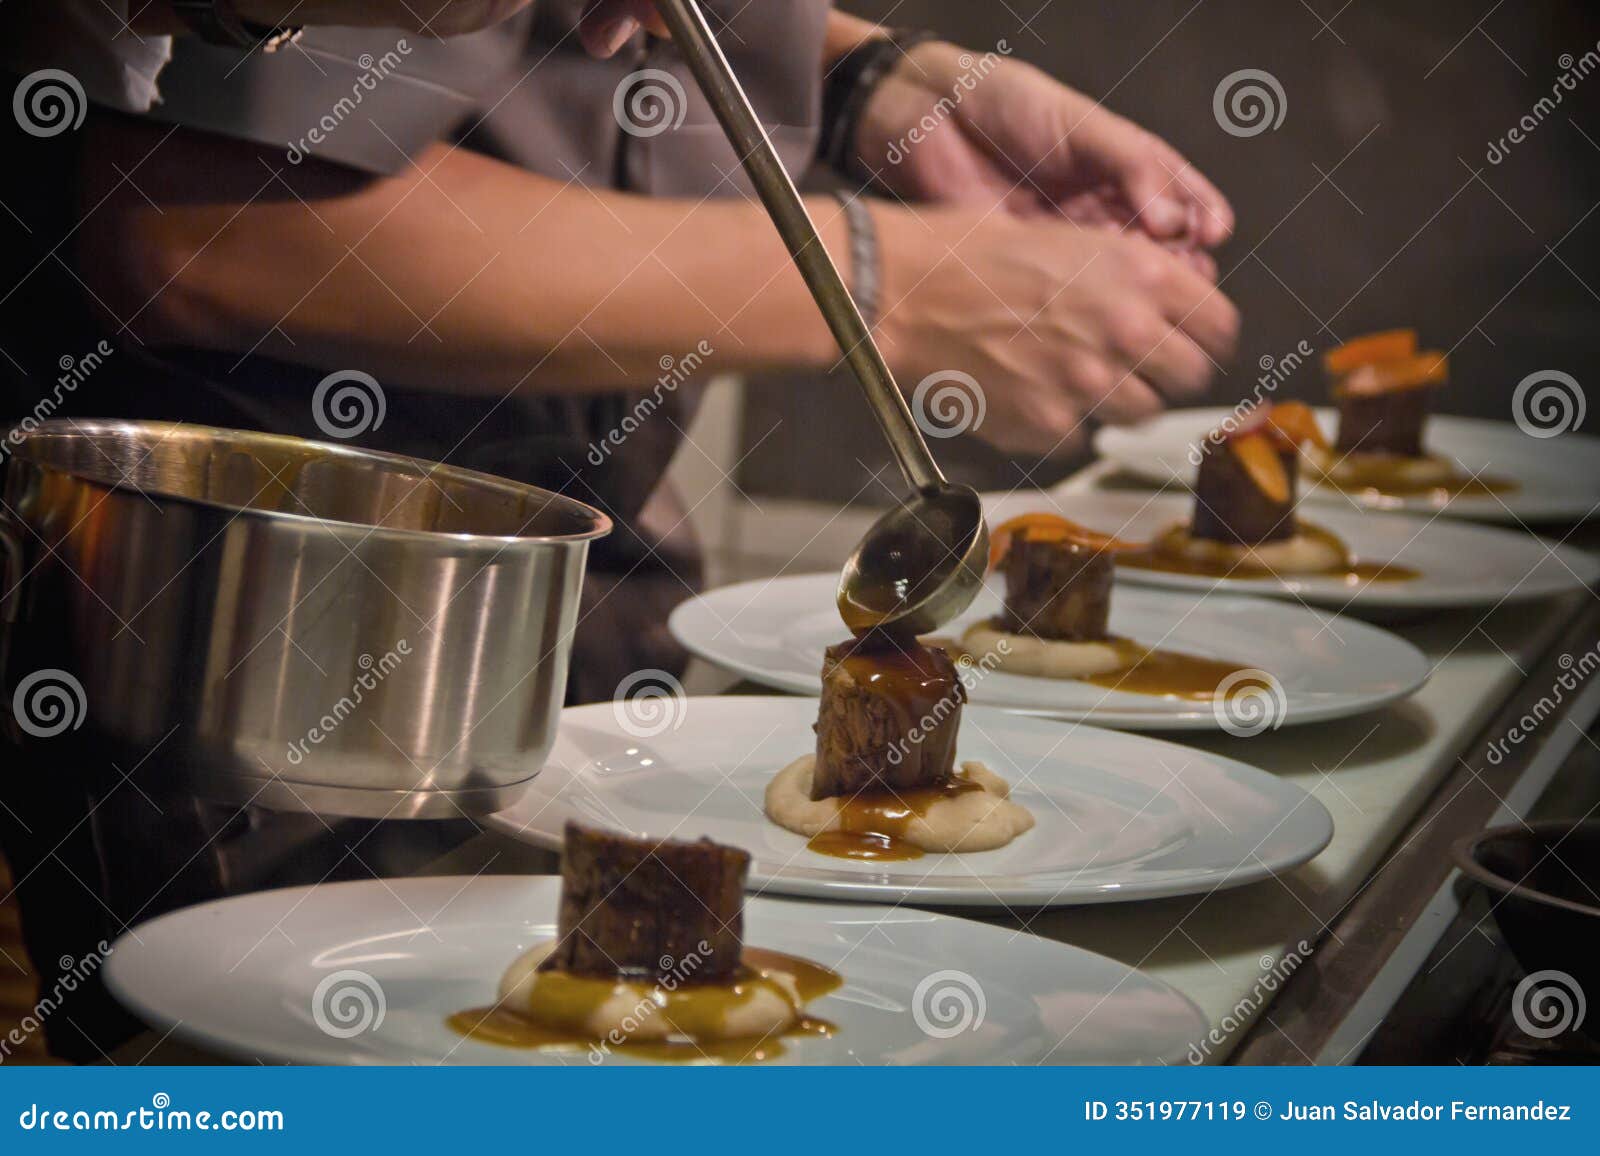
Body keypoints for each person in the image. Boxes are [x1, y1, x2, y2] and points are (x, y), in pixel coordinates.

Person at [0, 0, 1237, 1058]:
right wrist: (883, 280)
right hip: (283, 675)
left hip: (596, 605)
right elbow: (202, 221)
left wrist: (867, 79)